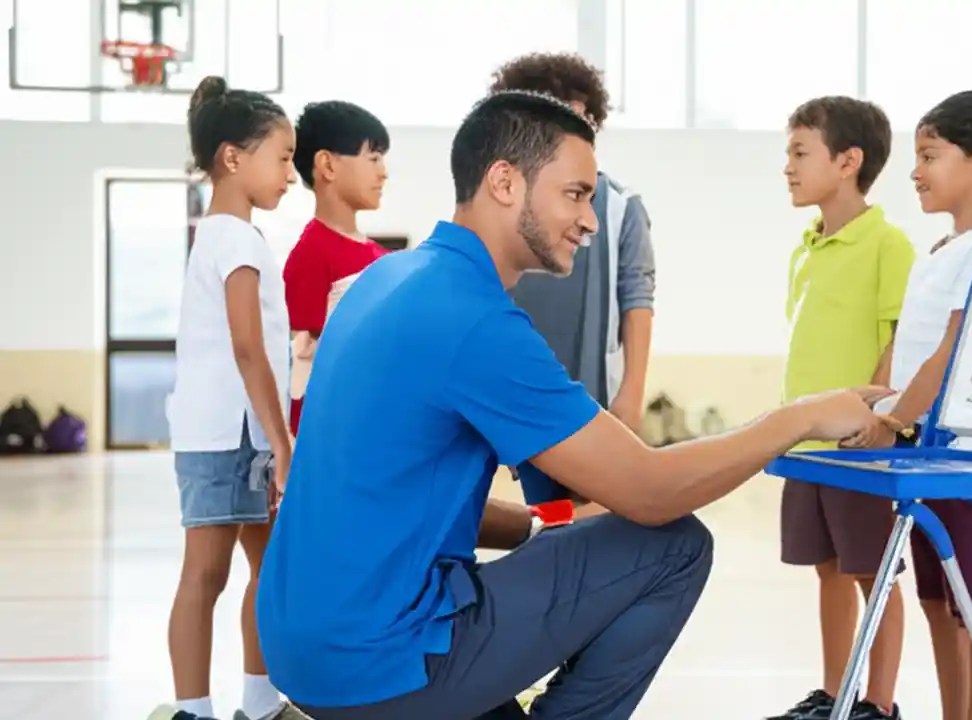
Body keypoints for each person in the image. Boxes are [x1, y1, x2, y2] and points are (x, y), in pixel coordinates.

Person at [254, 90, 895, 720]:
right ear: (505, 182)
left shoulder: (386, 279)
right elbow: (651, 492)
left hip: (301, 649)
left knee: (576, 540)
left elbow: (394, 494)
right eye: (576, 194)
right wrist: (802, 417)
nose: (590, 220)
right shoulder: (473, 319)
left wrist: (539, 527)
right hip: (378, 664)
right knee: (675, 546)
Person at [846, 89, 972, 720]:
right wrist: (868, 404)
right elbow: (903, 346)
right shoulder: (945, 249)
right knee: (937, 604)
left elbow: (951, 351)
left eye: (929, 155)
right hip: (926, 457)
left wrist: (893, 422)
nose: (915, 171)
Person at [149, 76, 306, 720]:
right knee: (206, 575)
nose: (290, 175)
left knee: (269, 571)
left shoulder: (229, 235)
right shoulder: (234, 238)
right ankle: (192, 710)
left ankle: (261, 703)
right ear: (232, 157)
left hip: (243, 435)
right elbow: (248, 348)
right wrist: (282, 443)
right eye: (283, 158)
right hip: (227, 436)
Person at [770, 97, 914, 720]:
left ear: (848, 161)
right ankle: (835, 695)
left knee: (872, 573)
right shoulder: (806, 248)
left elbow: (898, 343)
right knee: (826, 570)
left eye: (800, 153)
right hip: (807, 447)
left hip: (857, 451)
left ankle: (878, 705)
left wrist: (871, 422)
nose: (788, 167)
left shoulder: (887, 244)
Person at [488, 53, 656, 508]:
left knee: (587, 507)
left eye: (582, 119)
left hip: (590, 387)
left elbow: (637, 296)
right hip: (520, 380)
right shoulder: (507, 199)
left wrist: (632, 394)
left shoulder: (619, 206)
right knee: (542, 506)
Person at [281, 100, 392, 436]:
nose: (383, 172)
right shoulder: (311, 254)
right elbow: (301, 360)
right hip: (330, 430)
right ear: (327, 165)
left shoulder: (381, 256)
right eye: (373, 158)